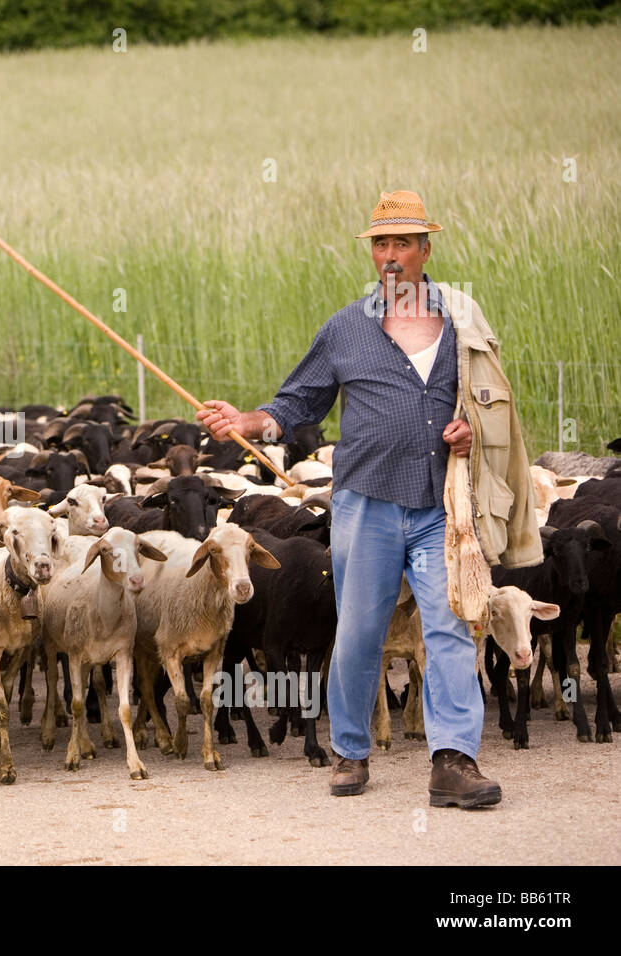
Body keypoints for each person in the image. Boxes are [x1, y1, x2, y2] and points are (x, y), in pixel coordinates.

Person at [196, 190, 541, 808]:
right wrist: (248, 422)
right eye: (380, 243)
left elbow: (492, 409)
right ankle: (351, 751)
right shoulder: (344, 329)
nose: (390, 254)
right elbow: (298, 405)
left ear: (425, 250)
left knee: (452, 626)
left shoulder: (462, 322)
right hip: (365, 505)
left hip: (442, 506)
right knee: (357, 632)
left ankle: (453, 761)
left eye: (402, 242)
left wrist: (471, 430)